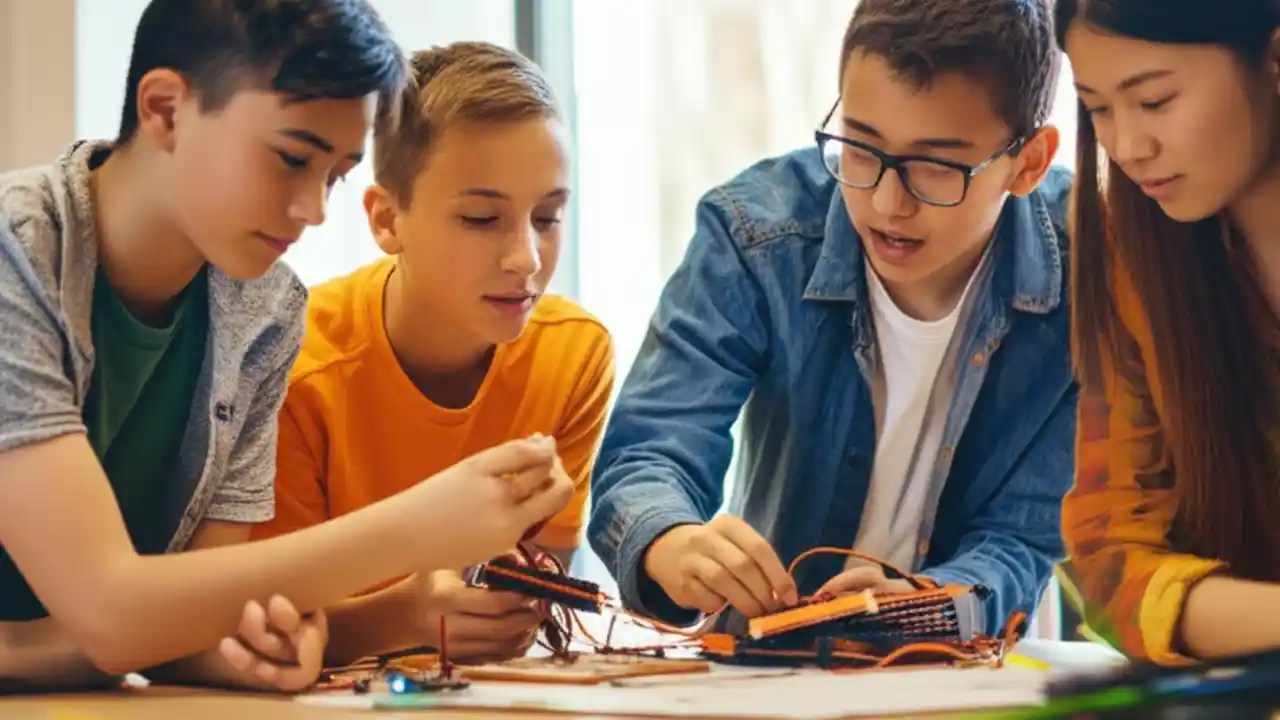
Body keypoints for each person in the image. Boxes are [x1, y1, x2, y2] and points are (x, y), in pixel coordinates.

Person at [0, 0, 571, 691]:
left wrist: (257, 646)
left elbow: (192, 618)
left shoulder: (265, 311)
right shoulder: (17, 252)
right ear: (166, 110)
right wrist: (423, 527)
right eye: (290, 159)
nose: (313, 209)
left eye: (333, 174)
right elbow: (115, 614)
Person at [589, 0, 1075, 636]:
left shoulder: (1087, 274)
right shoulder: (757, 235)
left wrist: (927, 603)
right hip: (769, 667)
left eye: (936, 166)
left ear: (1028, 162)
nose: (885, 202)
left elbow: (1023, 536)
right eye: (861, 148)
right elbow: (650, 450)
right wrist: (672, 541)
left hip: (966, 673)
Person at [252, 42, 614, 666]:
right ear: (388, 219)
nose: (526, 258)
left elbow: (540, 582)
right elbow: (256, 625)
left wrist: (519, 602)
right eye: (480, 218)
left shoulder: (575, 355)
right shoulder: (294, 365)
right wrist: (404, 616)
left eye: (548, 217)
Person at [1055, 0, 1280, 664]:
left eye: (1154, 101)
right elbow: (1106, 564)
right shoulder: (1131, 258)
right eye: (1098, 108)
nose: (1126, 147)